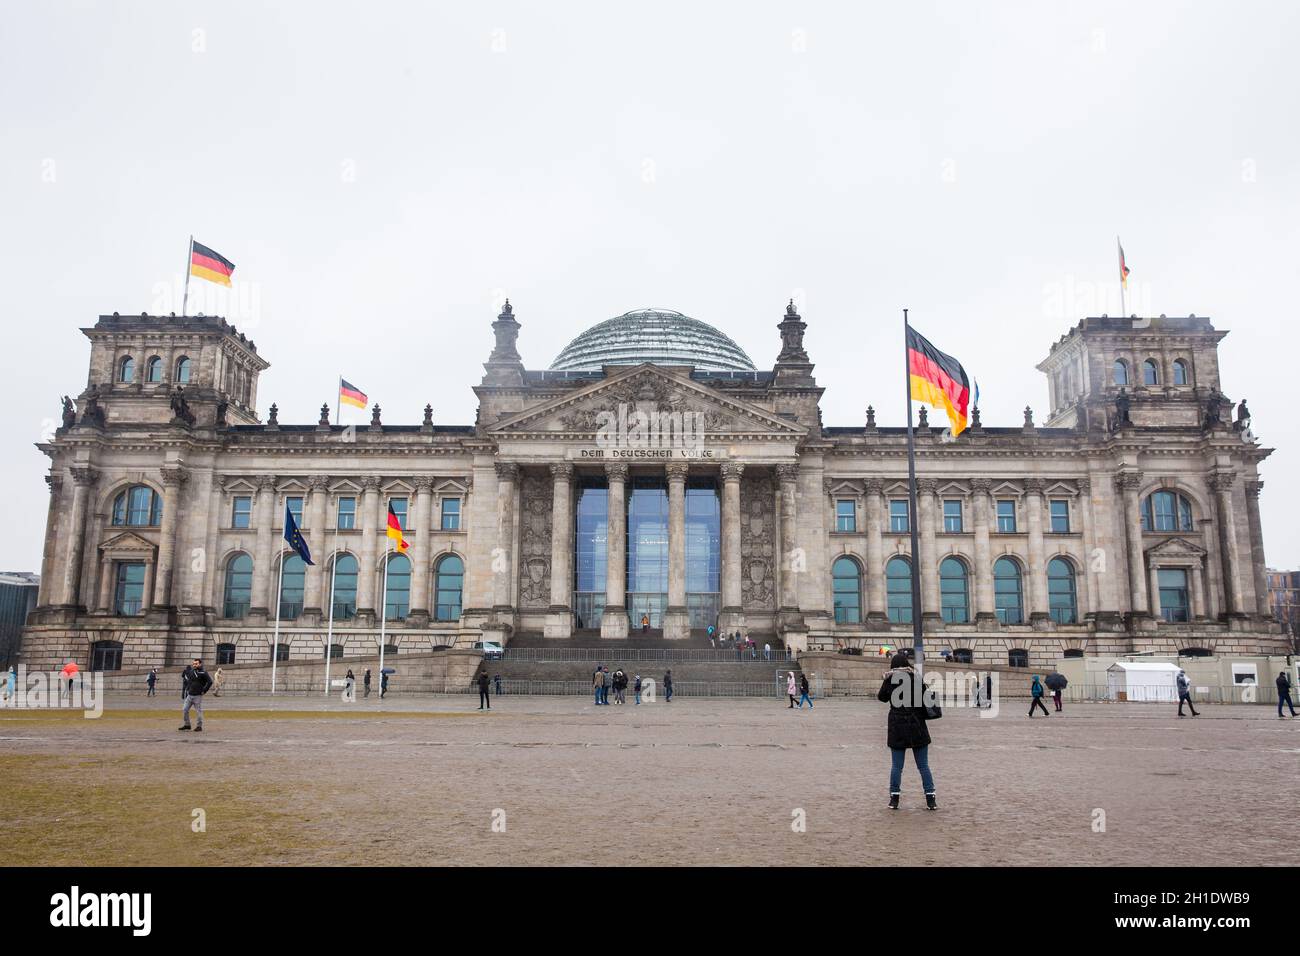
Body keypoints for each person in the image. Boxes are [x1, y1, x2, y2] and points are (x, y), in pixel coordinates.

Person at [877, 652, 937, 810]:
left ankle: (894, 799)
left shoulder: (890, 679)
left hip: (897, 725)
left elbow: (881, 697)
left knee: (897, 766)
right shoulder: (916, 677)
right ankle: (931, 800)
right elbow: (925, 699)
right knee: (923, 766)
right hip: (916, 723)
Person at [178, 658, 213, 732]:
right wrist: (188, 688)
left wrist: (204, 690)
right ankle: (187, 725)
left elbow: (210, 682)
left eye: (196, 664)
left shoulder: (203, 673)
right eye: (193, 664)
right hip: (190, 695)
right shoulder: (191, 671)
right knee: (185, 709)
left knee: (198, 711)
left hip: (198, 696)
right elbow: (189, 681)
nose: (194, 665)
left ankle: (199, 726)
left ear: (200, 664)